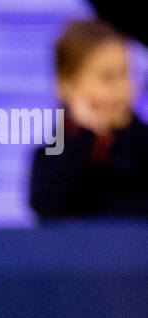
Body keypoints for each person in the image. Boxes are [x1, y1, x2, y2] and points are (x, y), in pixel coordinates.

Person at [30, 18, 148, 219]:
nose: (123, 90)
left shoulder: (141, 146)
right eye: (107, 78)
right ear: (66, 85)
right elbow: (45, 206)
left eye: (125, 74)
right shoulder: (54, 156)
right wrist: (84, 135)